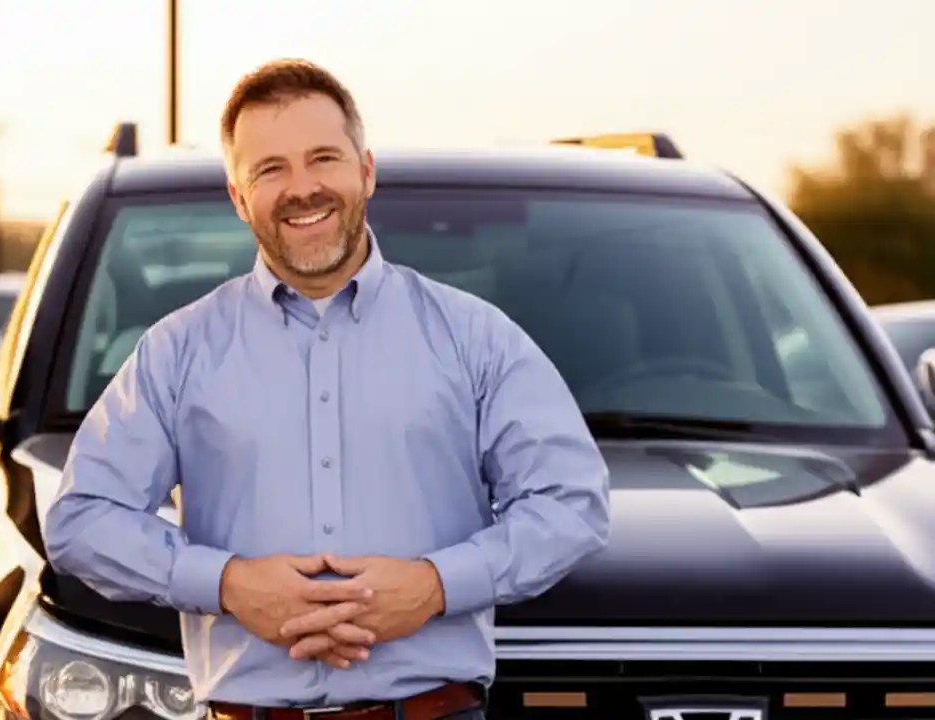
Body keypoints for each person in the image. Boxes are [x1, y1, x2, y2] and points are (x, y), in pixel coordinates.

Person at [44, 58, 611, 720]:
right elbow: (81, 519)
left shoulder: (475, 339)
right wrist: (227, 585)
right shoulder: (178, 351)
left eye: (323, 159)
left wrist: (435, 586)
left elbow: (572, 503)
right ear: (238, 196)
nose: (302, 188)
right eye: (270, 169)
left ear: (365, 170)